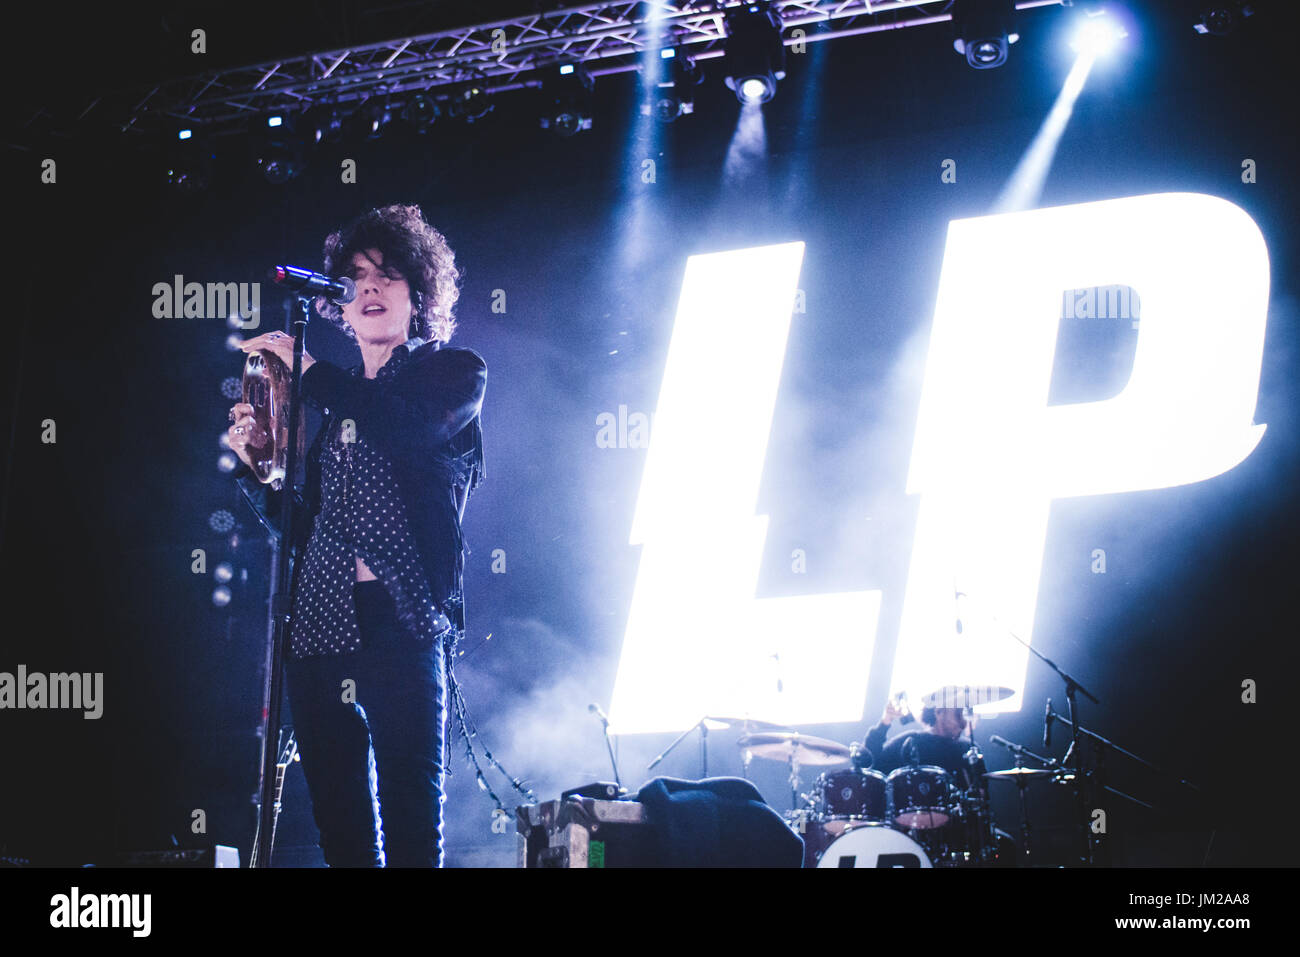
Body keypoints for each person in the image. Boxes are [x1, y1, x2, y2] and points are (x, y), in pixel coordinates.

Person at [226, 204, 486, 867]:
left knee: (410, 821)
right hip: (315, 626)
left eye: (388, 275)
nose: (368, 288)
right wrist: (258, 469)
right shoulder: (327, 401)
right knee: (341, 831)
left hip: (400, 621)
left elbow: (404, 430)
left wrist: (311, 373)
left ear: (419, 294)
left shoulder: (452, 375)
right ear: (339, 302)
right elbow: (299, 527)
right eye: (357, 277)